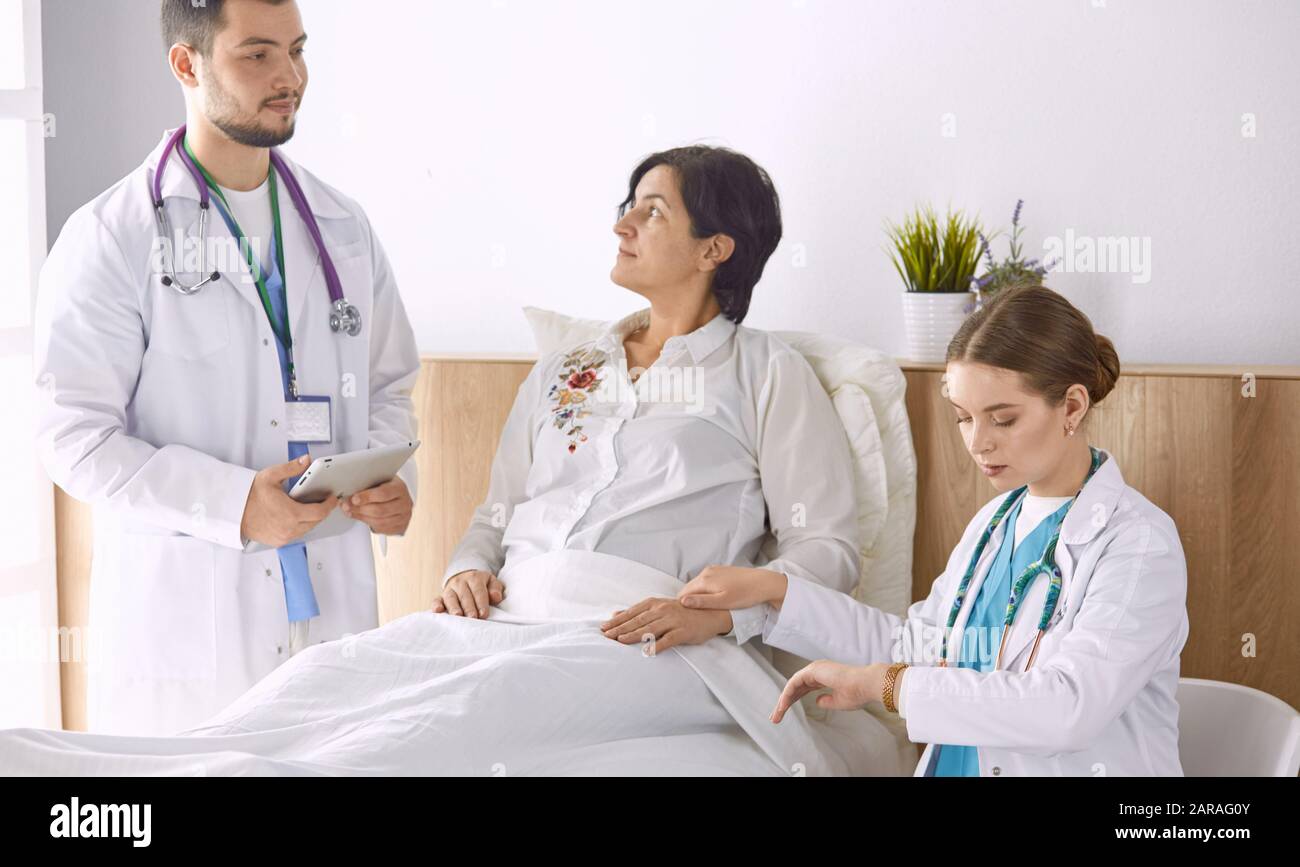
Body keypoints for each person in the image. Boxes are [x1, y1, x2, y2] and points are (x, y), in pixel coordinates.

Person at [33, 0, 419, 735]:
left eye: (298, 51)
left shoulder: (344, 227)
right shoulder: (113, 237)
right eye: (258, 55)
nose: (291, 77)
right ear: (187, 64)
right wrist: (232, 501)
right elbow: (72, 436)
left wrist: (391, 481)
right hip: (192, 633)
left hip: (332, 623)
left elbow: (388, 384)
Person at [680, 285, 1190, 776]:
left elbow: (1068, 707)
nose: (978, 443)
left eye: (1003, 420)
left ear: (1073, 407)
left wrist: (888, 687)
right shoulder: (994, 525)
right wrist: (778, 592)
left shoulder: (1138, 543)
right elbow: (920, 646)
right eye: (964, 418)